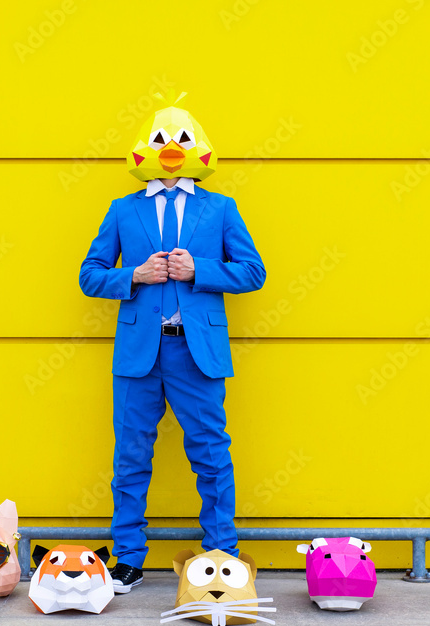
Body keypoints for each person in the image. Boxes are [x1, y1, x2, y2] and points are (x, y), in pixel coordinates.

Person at [78, 91, 266, 593]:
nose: (171, 148)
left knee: (210, 452)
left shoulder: (221, 208)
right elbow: (89, 275)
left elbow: (253, 272)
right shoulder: (122, 211)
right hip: (139, 353)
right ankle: (128, 558)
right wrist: (132, 276)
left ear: (197, 147)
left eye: (181, 139)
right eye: (161, 139)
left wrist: (199, 270)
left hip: (196, 353)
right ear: (145, 149)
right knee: (131, 455)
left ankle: (222, 555)